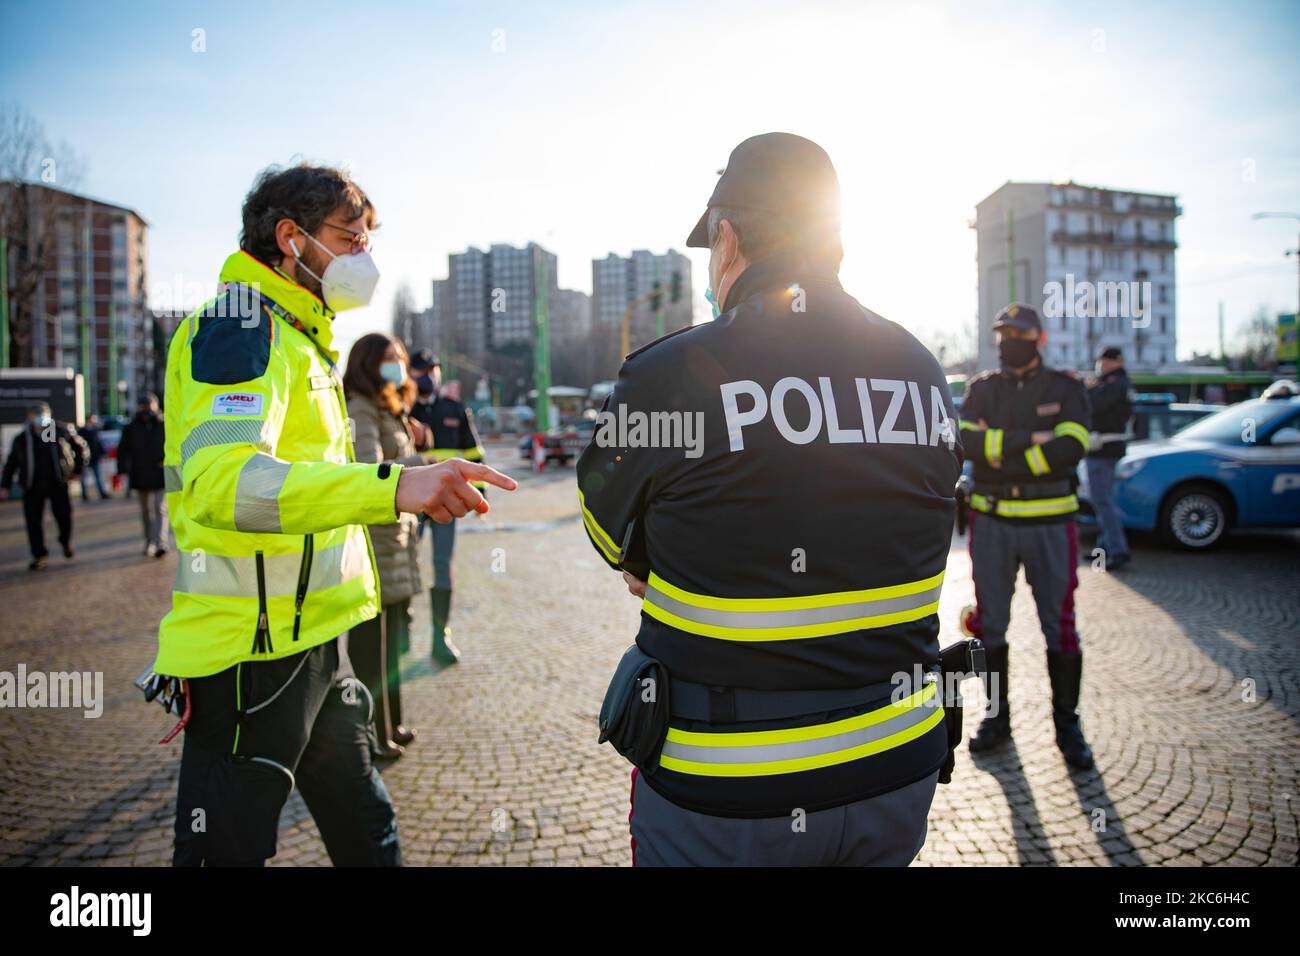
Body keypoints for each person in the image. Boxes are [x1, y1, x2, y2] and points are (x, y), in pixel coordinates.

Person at [577, 133, 963, 866]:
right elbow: (927, 506)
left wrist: (669, 555)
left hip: (727, 790)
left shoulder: (672, 373)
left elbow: (607, 531)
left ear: (726, 240)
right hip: (896, 766)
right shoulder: (921, 368)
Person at [157, 163, 516, 867]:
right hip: (248, 660)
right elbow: (223, 483)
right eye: (350, 240)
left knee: (369, 833)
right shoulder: (238, 326)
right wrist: (392, 488)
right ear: (290, 240)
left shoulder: (304, 339)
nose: (365, 259)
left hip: (323, 647)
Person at [959, 303, 1094, 769]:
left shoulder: (1067, 388)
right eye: (1001, 333)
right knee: (990, 627)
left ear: (1038, 338)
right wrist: (1034, 441)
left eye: (1016, 332)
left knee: (1060, 627)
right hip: (992, 523)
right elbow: (967, 443)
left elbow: (1071, 447)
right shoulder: (982, 388)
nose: (1006, 340)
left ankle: (1067, 726)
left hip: (1052, 524)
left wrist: (1001, 450)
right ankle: (996, 720)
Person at [344, 332, 432, 759]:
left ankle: (392, 723)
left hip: (396, 543)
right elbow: (367, 471)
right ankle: (373, 737)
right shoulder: (359, 408)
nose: (398, 365)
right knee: (370, 649)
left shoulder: (390, 407)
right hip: (373, 545)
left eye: (399, 357)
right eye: (389, 359)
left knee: (393, 645)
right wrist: (423, 467)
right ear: (368, 364)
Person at [409, 350, 486, 666]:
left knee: (443, 566)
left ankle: (441, 637)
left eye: (434, 369)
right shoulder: (402, 409)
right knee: (403, 564)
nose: (430, 375)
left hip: (447, 504)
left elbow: (473, 454)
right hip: (409, 504)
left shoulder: (454, 408)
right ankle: (400, 628)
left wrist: (480, 498)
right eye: (423, 370)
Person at [1, 402, 88, 570]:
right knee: (33, 522)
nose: (40, 418)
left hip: (57, 482)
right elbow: (11, 463)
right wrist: (5, 485)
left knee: (63, 516)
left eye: (43, 414)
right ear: (29, 417)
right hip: (32, 485)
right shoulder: (22, 438)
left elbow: (82, 448)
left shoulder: (60, 431)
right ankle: (39, 555)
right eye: (37, 414)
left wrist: (77, 470)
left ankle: (65, 542)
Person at [1085, 346, 1133, 571]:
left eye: (1104, 361)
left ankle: (1117, 550)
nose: (1100, 365)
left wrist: (1086, 389)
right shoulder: (1116, 383)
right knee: (1103, 501)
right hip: (1105, 448)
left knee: (1102, 501)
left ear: (1115, 362)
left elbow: (1093, 405)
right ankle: (1103, 548)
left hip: (1103, 449)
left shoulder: (1114, 384)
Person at [117, 393, 169, 557]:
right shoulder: (131, 427)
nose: (147, 409)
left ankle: (161, 542)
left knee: (160, 508)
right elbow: (123, 450)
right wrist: (122, 472)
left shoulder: (165, 424)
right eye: (144, 406)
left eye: (150, 405)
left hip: (161, 473)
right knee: (146, 510)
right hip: (140, 474)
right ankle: (149, 542)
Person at [78, 414, 109, 500]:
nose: (94, 421)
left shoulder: (95, 431)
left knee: (98, 477)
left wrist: (103, 453)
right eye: (93, 419)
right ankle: (84, 495)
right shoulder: (81, 431)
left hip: (95, 458)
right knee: (84, 478)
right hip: (84, 459)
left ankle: (102, 494)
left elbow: (98, 443)